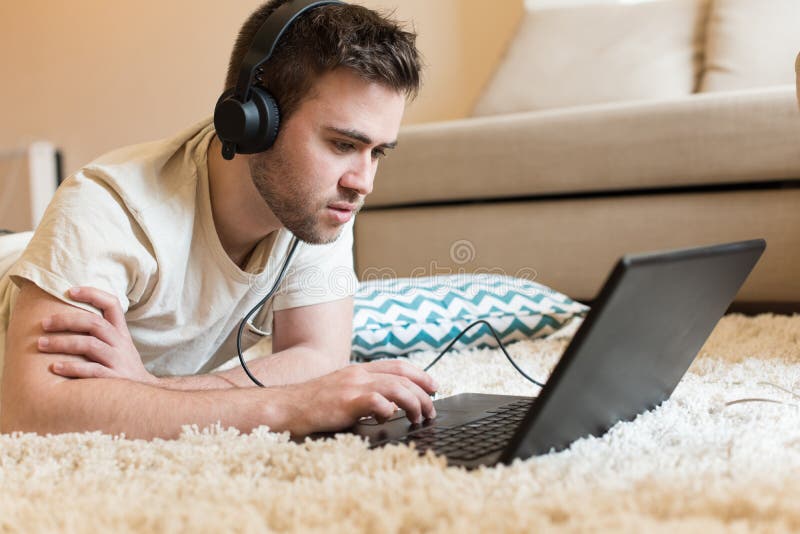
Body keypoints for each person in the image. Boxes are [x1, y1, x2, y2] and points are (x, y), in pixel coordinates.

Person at [0, 0, 437, 439]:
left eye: (377, 152)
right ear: (251, 122)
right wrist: (291, 405)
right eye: (342, 144)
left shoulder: (317, 204)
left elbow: (318, 356)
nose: (363, 183)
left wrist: (151, 390)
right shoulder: (106, 209)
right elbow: (32, 412)